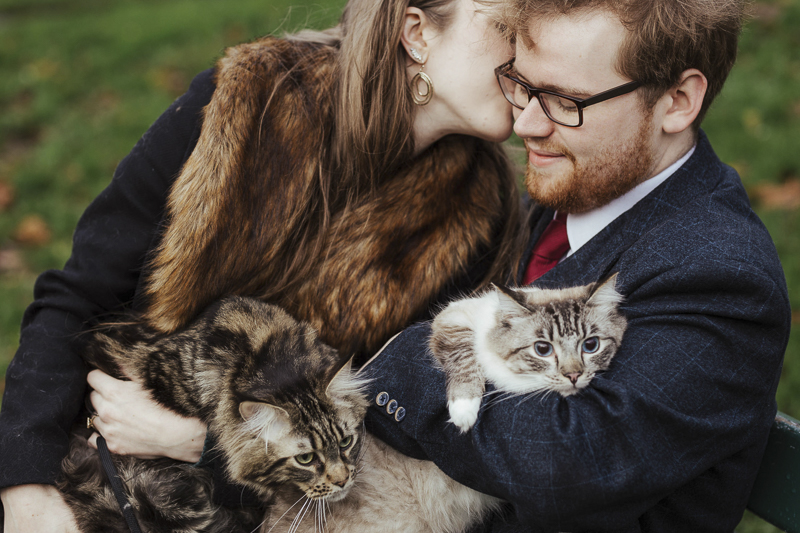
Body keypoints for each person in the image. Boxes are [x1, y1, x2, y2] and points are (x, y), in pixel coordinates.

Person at [0, 0, 525, 529]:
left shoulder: (480, 212)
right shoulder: (251, 99)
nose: (525, 51)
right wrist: (26, 487)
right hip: (90, 459)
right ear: (417, 33)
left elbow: (396, 441)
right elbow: (78, 294)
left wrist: (206, 447)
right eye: (508, 27)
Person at [362, 0, 791, 531]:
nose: (525, 123)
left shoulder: (721, 274)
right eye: (522, 85)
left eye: (565, 101)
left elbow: (565, 462)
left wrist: (392, 367)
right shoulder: (568, 191)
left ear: (677, 101)